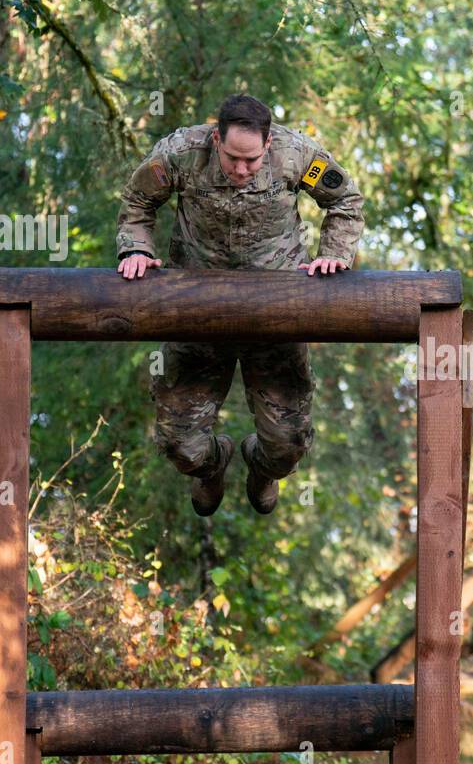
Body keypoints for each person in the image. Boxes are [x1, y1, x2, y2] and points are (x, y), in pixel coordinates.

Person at [115, 93, 364, 515]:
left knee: (287, 444)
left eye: (252, 160)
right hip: (196, 311)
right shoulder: (180, 153)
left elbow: (344, 199)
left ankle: (261, 469)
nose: (242, 170)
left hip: (277, 313)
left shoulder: (297, 155)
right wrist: (136, 249)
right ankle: (211, 468)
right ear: (216, 139)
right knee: (181, 445)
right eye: (233, 158)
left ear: (268, 144)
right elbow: (139, 200)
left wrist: (335, 253)